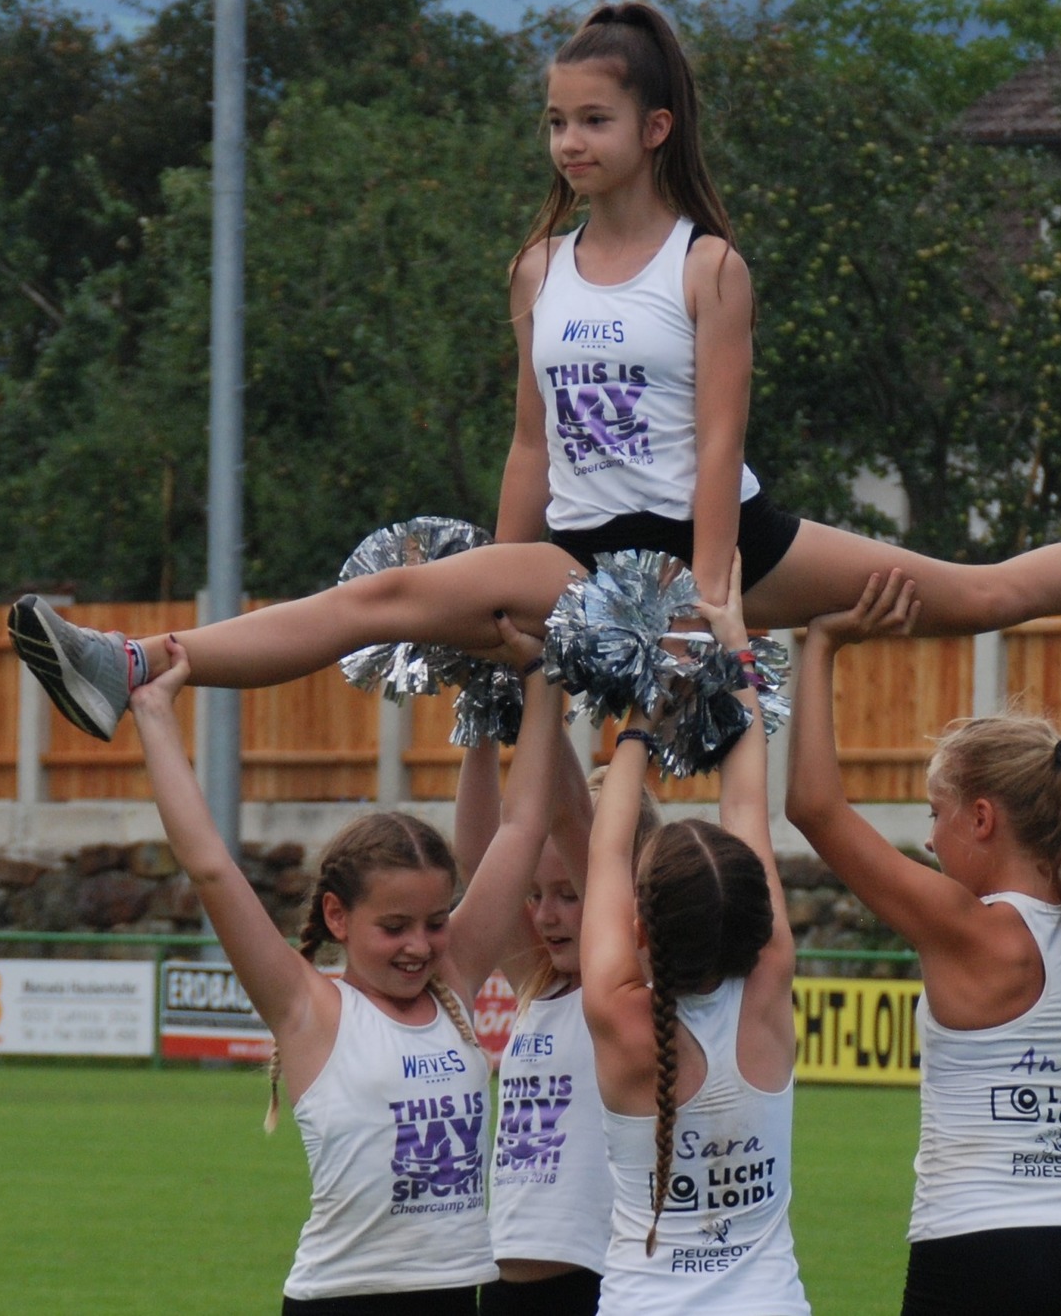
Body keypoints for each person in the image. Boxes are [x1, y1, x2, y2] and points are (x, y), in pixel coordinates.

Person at [8, 0, 1061, 744]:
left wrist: (716, 602)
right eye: (553, 120)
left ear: (652, 128)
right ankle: (133, 662)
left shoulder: (708, 268)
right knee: (402, 593)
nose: (566, 140)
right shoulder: (539, 269)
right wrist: (498, 609)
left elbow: (715, 441)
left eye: (590, 120)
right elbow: (532, 444)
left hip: (716, 538)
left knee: (976, 596)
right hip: (579, 553)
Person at [783, 542, 1061, 1316]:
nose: (928, 838)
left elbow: (815, 806)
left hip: (973, 1249)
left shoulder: (962, 927)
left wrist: (821, 647)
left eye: (935, 814)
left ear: (982, 818)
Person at [128, 620, 563, 1316]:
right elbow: (210, 865)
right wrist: (153, 712)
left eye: (434, 920)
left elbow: (524, 825)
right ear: (338, 917)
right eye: (393, 927)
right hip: (341, 1300)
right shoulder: (308, 1007)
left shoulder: (454, 980)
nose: (420, 944)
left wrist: (541, 678)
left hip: (458, 1296)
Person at [578, 552, 811, 1313]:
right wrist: (735, 643)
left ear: (640, 925)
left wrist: (642, 712)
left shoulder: (619, 1011)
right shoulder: (772, 975)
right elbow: (748, 811)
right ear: (755, 925)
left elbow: (606, 849)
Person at [449, 742, 658, 1316]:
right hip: (502, 1274)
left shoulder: (628, 988)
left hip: (592, 1277)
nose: (544, 916)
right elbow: (476, 857)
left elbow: (584, 839)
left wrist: (542, 679)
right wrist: (483, 724)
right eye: (536, 895)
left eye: (569, 894)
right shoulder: (538, 981)